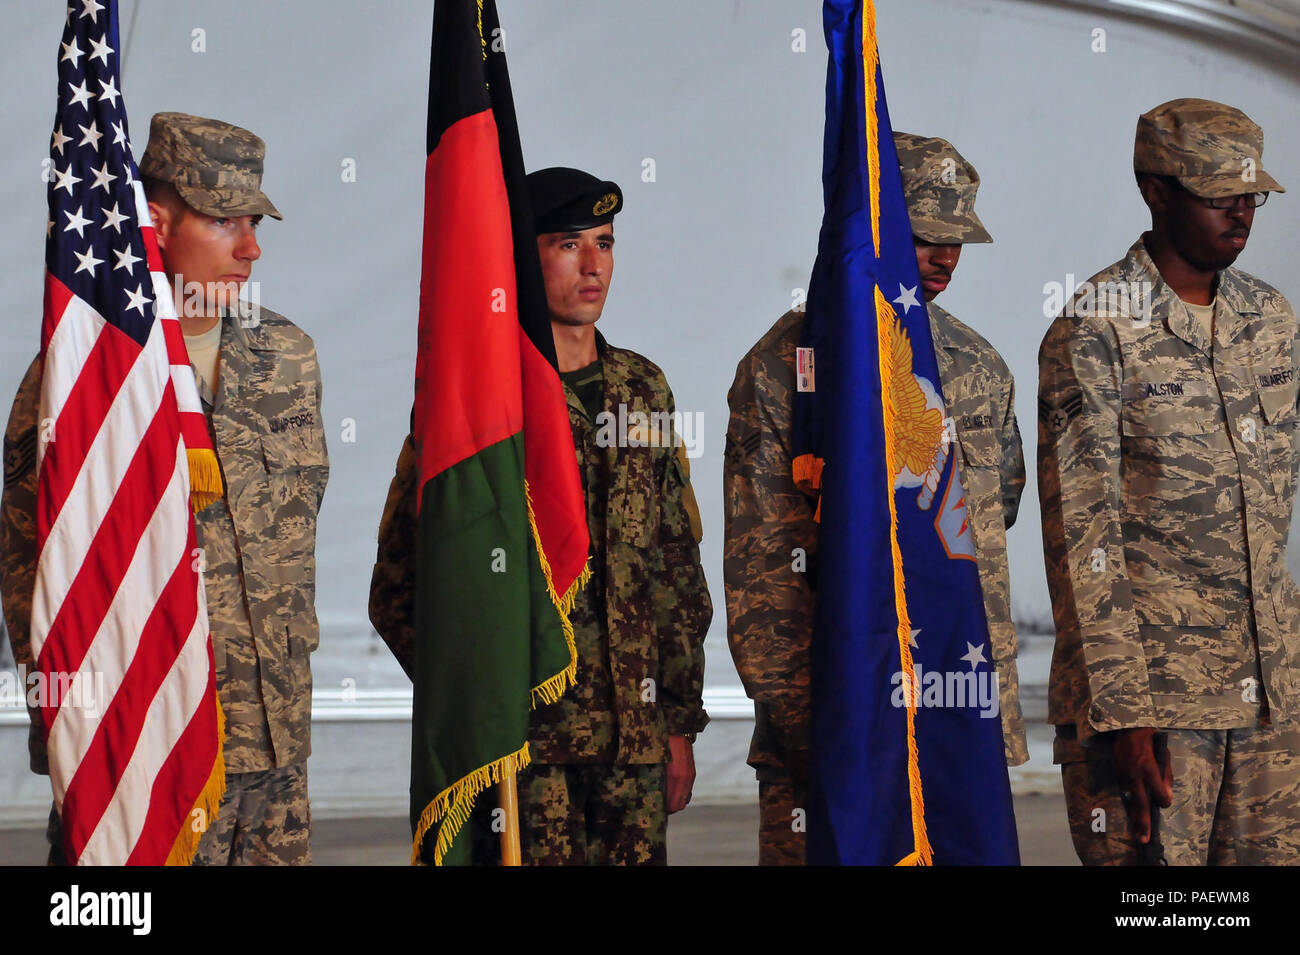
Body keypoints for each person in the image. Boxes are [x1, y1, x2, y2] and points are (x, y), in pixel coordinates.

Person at [1, 112, 327, 865]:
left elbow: (295, 534)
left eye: (254, 221)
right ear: (156, 220)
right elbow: (31, 569)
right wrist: (86, 729)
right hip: (144, 746)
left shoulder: (288, 356)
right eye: (223, 221)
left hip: (275, 741)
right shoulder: (87, 374)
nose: (250, 248)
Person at [370, 166, 711, 865]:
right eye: (567, 244)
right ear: (523, 257)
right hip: (523, 749)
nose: (594, 265)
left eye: (606, 243)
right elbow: (402, 582)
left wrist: (678, 719)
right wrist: (476, 704)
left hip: (634, 744)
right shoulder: (481, 407)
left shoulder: (643, 389)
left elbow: (674, 566)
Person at [723, 132, 1028, 865]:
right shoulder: (788, 367)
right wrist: (811, 718)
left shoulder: (979, 365)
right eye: (926, 235)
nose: (946, 256)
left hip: (958, 711)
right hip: (835, 715)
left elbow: (997, 509)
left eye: (958, 238)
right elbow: (759, 559)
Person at [1039, 98, 1299, 865]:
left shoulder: (1270, 319)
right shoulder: (1096, 328)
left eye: (1250, 194)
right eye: (1218, 193)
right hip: (1155, 705)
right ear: (1156, 190)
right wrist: (1121, 711)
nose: (1241, 212)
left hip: (1268, 697)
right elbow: (1082, 538)